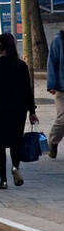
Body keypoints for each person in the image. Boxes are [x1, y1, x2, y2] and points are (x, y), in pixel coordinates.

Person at [0, 31, 38, 189]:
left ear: (0, 46)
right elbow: (27, 91)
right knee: (15, 142)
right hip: (17, 111)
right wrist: (32, 111)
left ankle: (3, 180)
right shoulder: (21, 66)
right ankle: (15, 167)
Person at [46, 25, 64, 158]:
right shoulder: (58, 41)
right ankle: (52, 141)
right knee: (62, 118)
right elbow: (52, 62)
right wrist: (51, 84)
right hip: (61, 87)